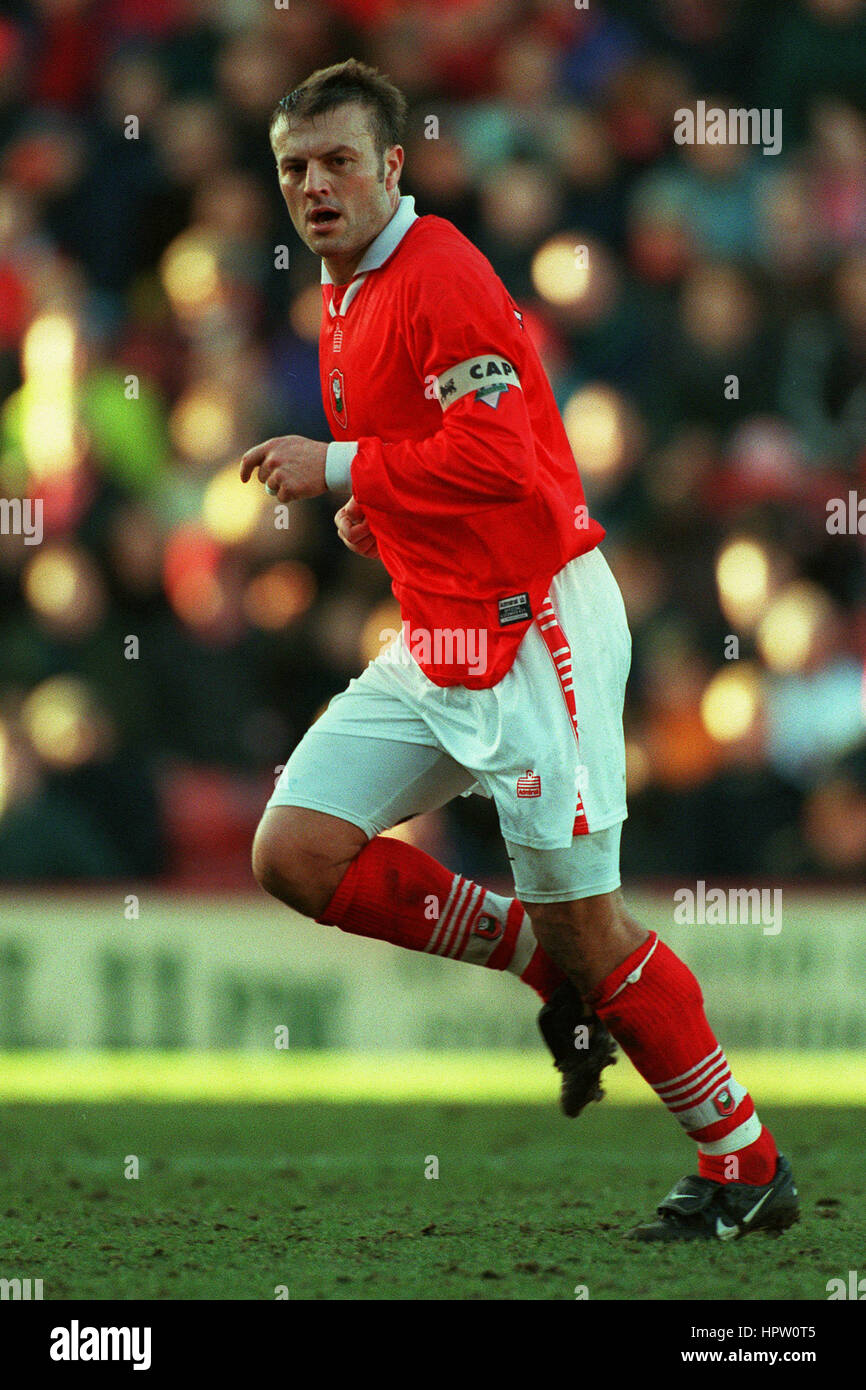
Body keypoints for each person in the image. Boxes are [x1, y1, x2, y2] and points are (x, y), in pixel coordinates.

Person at [240, 59, 798, 1241]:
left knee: (591, 923)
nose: (314, 185)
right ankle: (546, 972)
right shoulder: (340, 291)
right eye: (294, 166)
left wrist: (337, 466)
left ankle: (742, 1161)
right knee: (295, 850)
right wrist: (374, 509)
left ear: (392, 165)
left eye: (339, 160)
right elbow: (444, 453)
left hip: (529, 628)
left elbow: (504, 464)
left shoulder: (438, 271)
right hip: (434, 631)